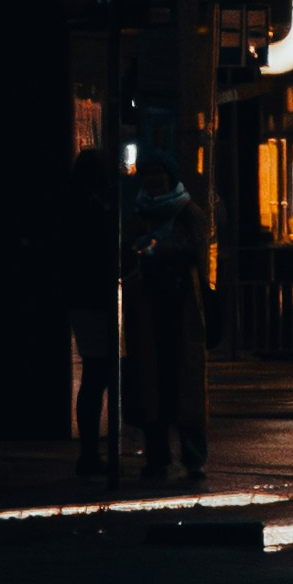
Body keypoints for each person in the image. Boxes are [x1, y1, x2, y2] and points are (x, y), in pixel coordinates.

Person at [123, 153, 209, 484]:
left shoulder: (187, 212)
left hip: (182, 308)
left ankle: (193, 458)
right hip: (148, 311)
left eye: (160, 173)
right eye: (148, 174)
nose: (154, 180)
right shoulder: (139, 213)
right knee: (152, 387)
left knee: (185, 387)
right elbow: (125, 251)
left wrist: (153, 249)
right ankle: (158, 457)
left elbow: (194, 251)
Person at [64, 141, 124, 478]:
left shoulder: (72, 205)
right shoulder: (97, 208)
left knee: (93, 373)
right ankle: (91, 452)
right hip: (98, 298)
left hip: (80, 298)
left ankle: (89, 451)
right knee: (98, 374)